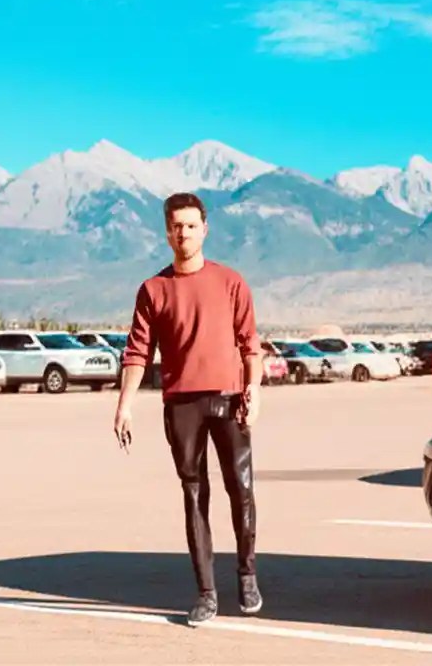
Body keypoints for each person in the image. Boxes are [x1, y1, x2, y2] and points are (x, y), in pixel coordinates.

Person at [113, 192, 263, 627]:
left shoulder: (231, 282)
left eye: (191, 225)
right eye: (176, 226)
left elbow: (250, 344)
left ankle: (248, 574)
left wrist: (254, 390)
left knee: (241, 488)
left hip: (229, 397)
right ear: (167, 232)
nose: (184, 233)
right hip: (181, 404)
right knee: (194, 493)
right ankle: (206, 593)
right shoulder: (153, 290)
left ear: (204, 229)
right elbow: (137, 353)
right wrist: (124, 407)